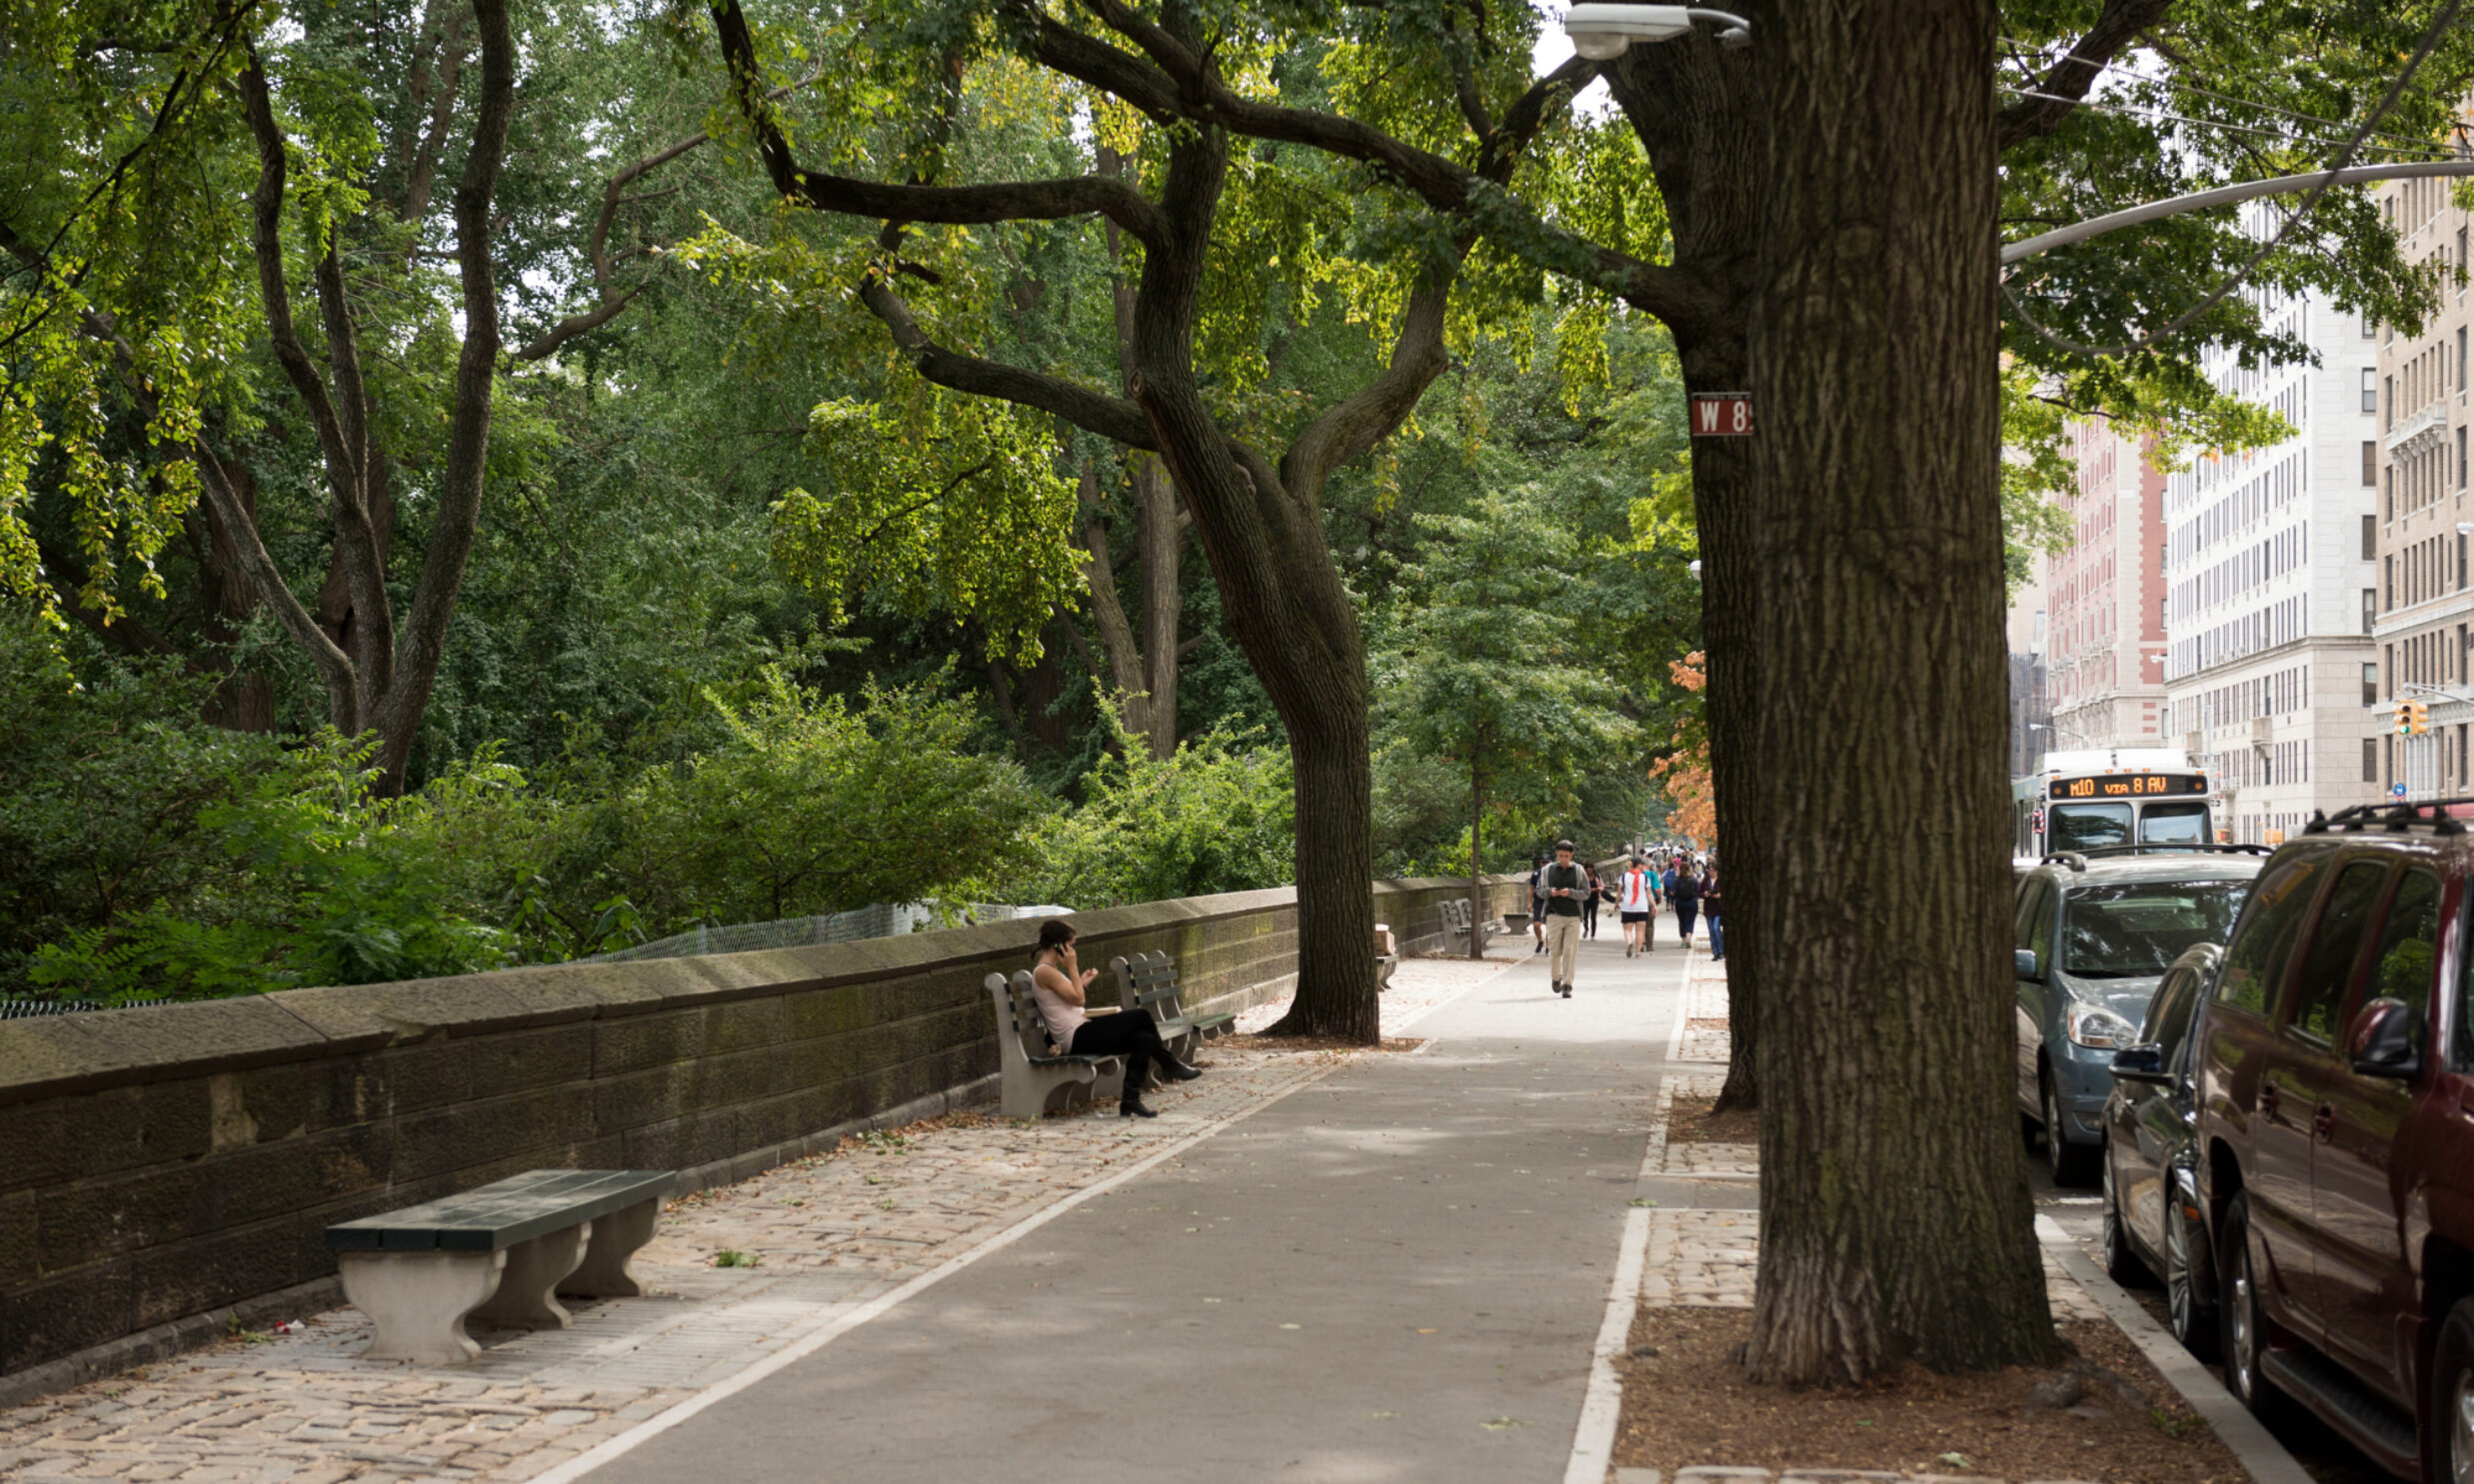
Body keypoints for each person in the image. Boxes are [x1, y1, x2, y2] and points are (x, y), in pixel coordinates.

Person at [1030, 918, 1201, 1118]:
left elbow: (1071, 999)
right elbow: (1078, 999)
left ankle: (1130, 1100)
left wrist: (1081, 982)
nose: (1073, 951)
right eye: (1071, 945)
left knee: (1143, 1038)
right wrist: (1073, 967)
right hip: (1076, 1037)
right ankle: (1170, 1065)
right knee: (1142, 1015)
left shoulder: (1050, 972)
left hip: (1082, 1030)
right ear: (1059, 945)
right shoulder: (1045, 972)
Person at [1537, 839, 1589, 997]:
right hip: (1554, 915)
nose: (1563, 859)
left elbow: (1586, 893)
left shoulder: (1579, 871)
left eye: (1566, 856)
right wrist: (1550, 891)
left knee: (1570, 951)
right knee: (1554, 950)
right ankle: (1555, 977)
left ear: (1571, 855)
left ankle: (1567, 984)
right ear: (1556, 855)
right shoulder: (1547, 870)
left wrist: (1571, 893)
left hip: (1573, 916)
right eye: (1560, 856)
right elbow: (1539, 890)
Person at [1617, 855, 1654, 957]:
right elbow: (1649, 893)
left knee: (1627, 929)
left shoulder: (1623, 876)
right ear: (1639, 865)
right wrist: (1654, 905)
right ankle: (1638, 952)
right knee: (1640, 930)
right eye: (1642, 864)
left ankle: (1629, 942)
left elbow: (1619, 891)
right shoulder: (1645, 878)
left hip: (1628, 907)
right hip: (1642, 907)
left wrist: (1616, 903)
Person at [1671, 860, 1703, 951]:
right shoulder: (1694, 880)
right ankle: (1689, 937)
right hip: (1692, 903)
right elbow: (1698, 891)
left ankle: (1683, 940)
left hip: (1680, 903)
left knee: (1682, 921)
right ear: (1689, 869)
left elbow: (1672, 892)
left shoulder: (1676, 880)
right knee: (1690, 921)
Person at [1528, 854, 1549, 954]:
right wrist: (1529, 902)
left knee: (1550, 925)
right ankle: (1540, 941)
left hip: (1550, 901)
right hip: (1538, 901)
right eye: (1543, 862)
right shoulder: (1536, 873)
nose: (1545, 864)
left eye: (1547, 862)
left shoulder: (1553, 874)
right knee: (1536, 924)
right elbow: (1531, 888)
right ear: (1541, 863)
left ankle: (1549, 946)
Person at [1702, 868, 1724, 961]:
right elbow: (1699, 892)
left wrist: (1719, 895)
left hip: (1718, 909)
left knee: (1716, 928)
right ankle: (1715, 952)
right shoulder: (1705, 881)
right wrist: (1704, 894)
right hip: (1708, 909)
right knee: (1711, 931)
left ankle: (1721, 951)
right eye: (1710, 871)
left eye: (1713, 871)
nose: (1711, 873)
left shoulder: (1721, 881)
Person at [1581, 862, 1605, 940]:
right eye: (1587, 868)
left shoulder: (1597, 876)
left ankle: (1593, 935)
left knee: (1593, 917)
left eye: (1590, 868)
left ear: (1593, 868)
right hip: (1585, 898)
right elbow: (1579, 886)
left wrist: (1597, 889)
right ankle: (1586, 929)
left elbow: (1602, 886)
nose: (1589, 869)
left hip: (1595, 898)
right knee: (1584, 916)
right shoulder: (1583, 877)